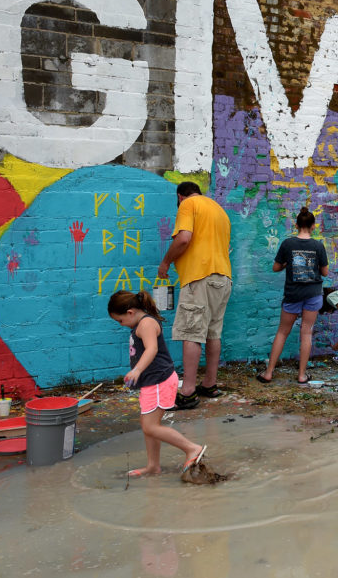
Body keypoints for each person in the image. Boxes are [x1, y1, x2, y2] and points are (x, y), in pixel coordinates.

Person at [108, 290, 206, 477]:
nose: (121, 324)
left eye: (120, 320)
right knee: (148, 426)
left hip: (159, 381)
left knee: (150, 426)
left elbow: (152, 349)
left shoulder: (146, 324)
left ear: (130, 312)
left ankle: (192, 448)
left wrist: (137, 370)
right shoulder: (142, 323)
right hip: (152, 382)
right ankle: (153, 466)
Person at [157, 181, 232, 410]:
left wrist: (165, 262)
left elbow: (183, 238)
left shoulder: (188, 204)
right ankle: (209, 384)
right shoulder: (219, 210)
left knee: (191, 333)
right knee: (213, 332)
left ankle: (188, 392)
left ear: (180, 196)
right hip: (223, 277)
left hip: (199, 277)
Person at [257, 208, 329, 385]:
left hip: (292, 294)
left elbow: (275, 267)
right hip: (313, 294)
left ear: (296, 225)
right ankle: (302, 375)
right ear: (313, 226)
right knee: (307, 333)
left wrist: (287, 264)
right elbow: (325, 272)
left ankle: (268, 372)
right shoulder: (318, 246)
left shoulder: (287, 244)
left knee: (282, 332)